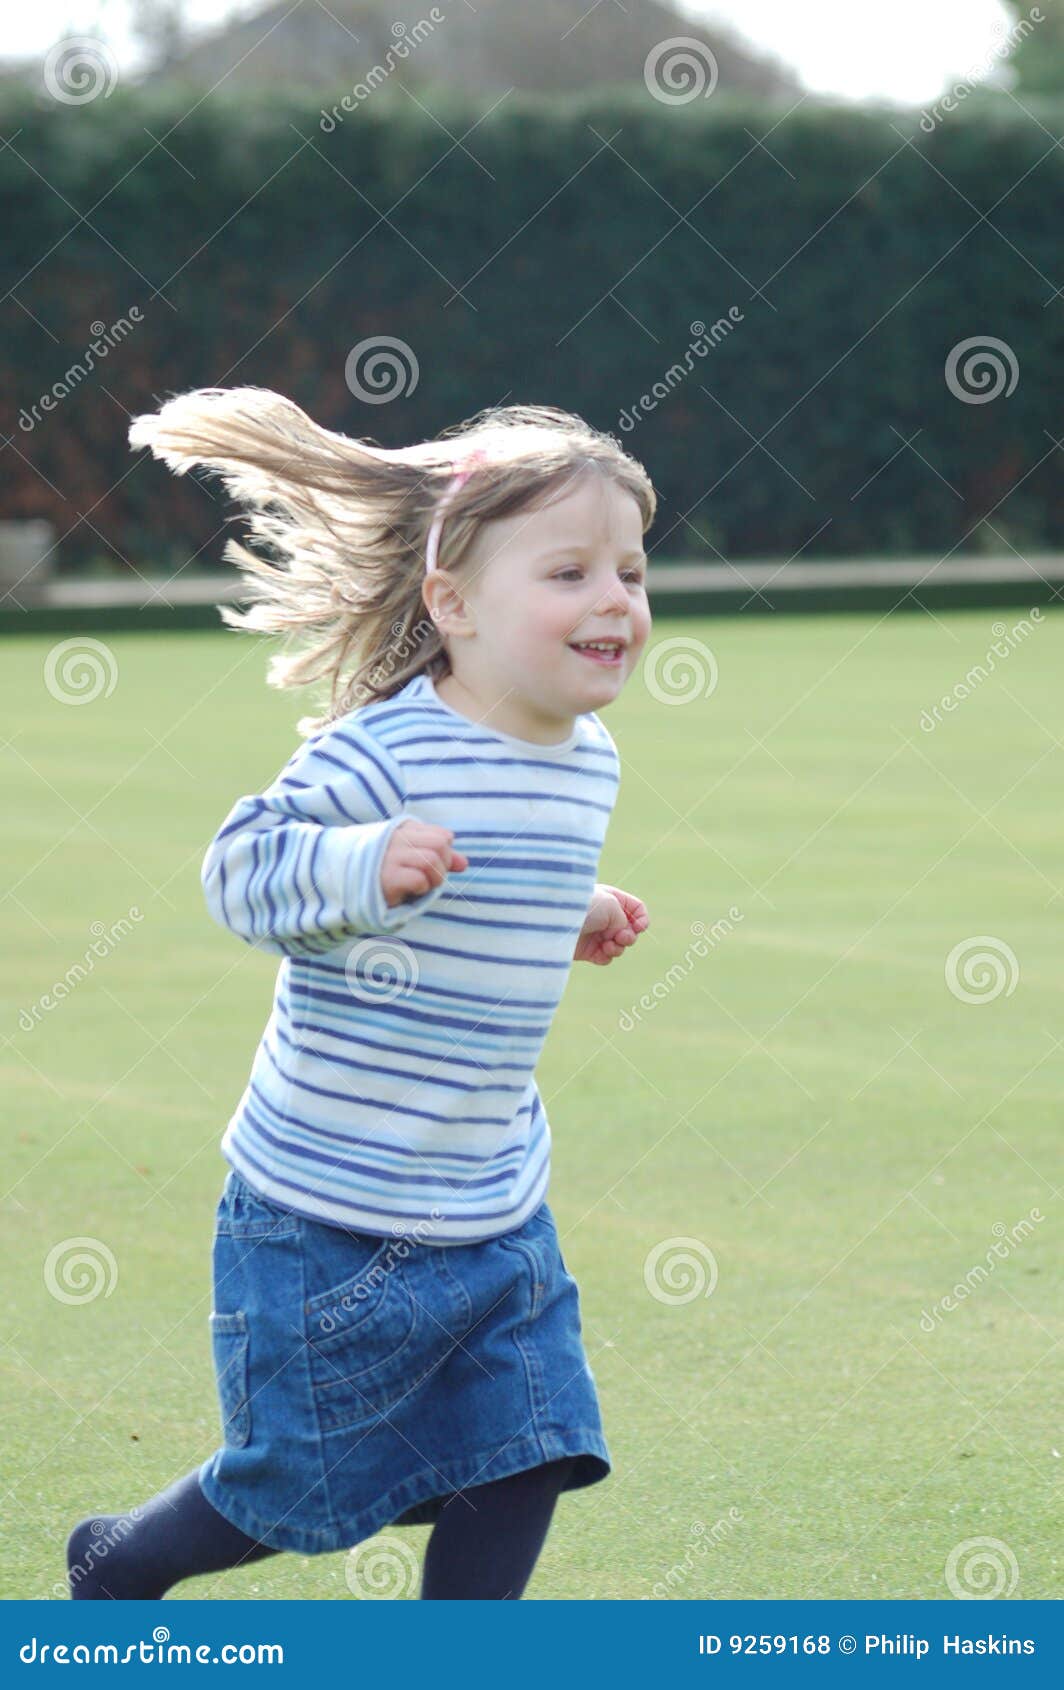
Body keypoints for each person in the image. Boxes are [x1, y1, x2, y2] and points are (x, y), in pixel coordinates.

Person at [67, 388, 655, 1600]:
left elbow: (504, 860)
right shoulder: (381, 751)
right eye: (569, 572)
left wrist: (572, 908)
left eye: (631, 571)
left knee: (528, 1446)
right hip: (325, 1204)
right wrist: (358, 864)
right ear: (452, 604)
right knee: (298, 1489)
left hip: (494, 1197)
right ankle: (120, 1565)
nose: (614, 600)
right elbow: (238, 873)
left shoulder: (585, 755)